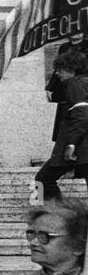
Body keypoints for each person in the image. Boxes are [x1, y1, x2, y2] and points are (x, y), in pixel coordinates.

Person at [34, 45, 88, 202]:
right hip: (83, 150)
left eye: (60, 69)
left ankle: (56, 217)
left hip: (80, 148)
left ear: (71, 69)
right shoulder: (84, 83)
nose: (57, 73)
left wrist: (71, 144)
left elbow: (82, 115)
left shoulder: (74, 84)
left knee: (43, 179)